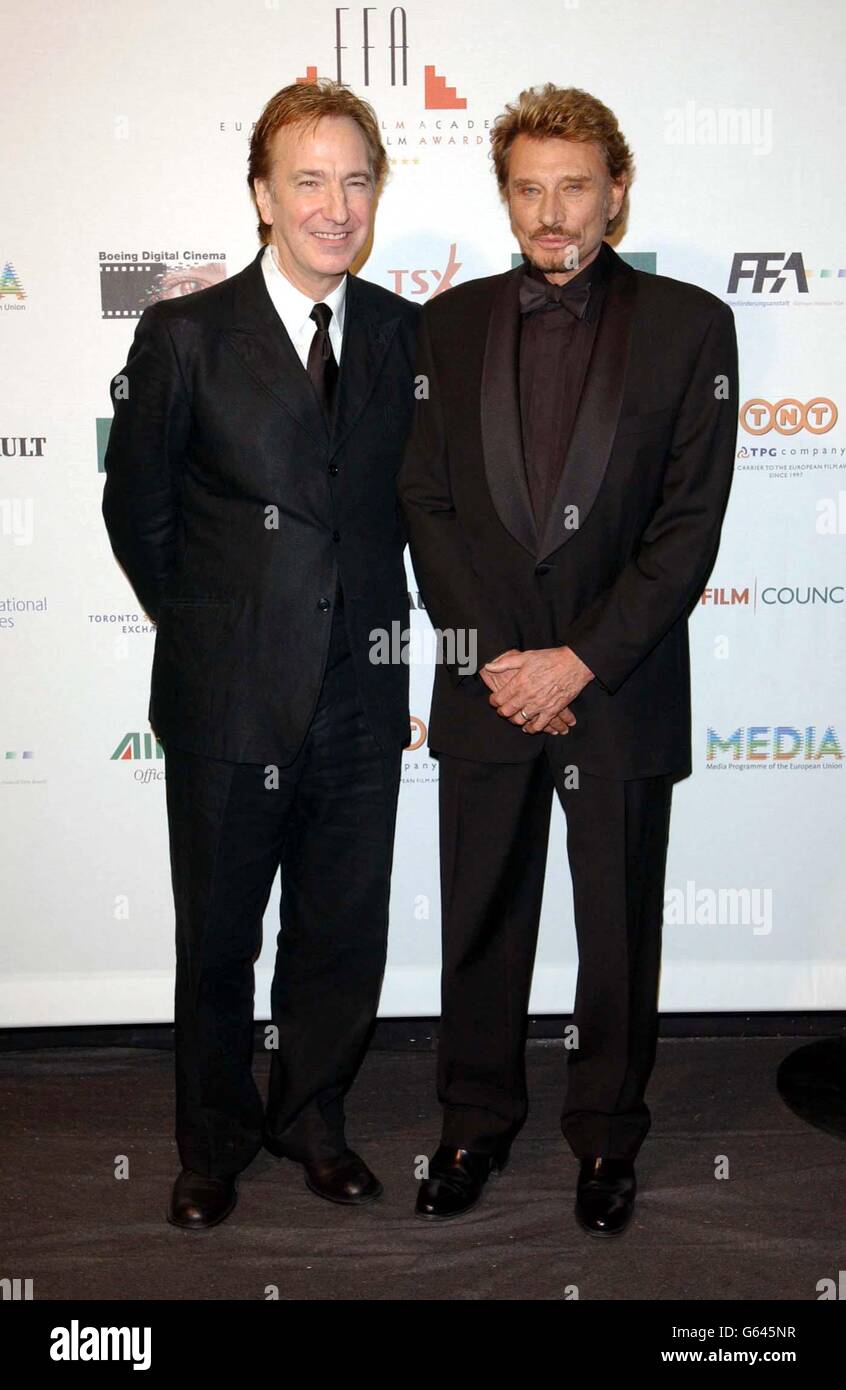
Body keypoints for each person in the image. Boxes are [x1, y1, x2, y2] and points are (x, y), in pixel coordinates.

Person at [398, 83, 738, 1235]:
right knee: (482, 918)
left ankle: (606, 1139)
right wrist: (502, 660)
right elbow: (425, 505)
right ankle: (472, 1121)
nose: (552, 213)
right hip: (488, 686)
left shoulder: (693, 327)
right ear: (506, 197)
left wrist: (578, 661)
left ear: (616, 193)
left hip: (621, 688)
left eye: (574, 187)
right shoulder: (441, 327)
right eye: (529, 189)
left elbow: (689, 525)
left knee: (618, 933)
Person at [102, 79, 419, 1230]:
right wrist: (215, 636)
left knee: (341, 934)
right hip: (230, 700)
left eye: (356, 181)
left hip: (362, 697)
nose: (335, 206)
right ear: (261, 196)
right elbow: (138, 516)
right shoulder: (185, 335)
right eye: (308, 180)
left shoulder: (399, 333)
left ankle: (314, 1122)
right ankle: (213, 1139)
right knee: (220, 938)